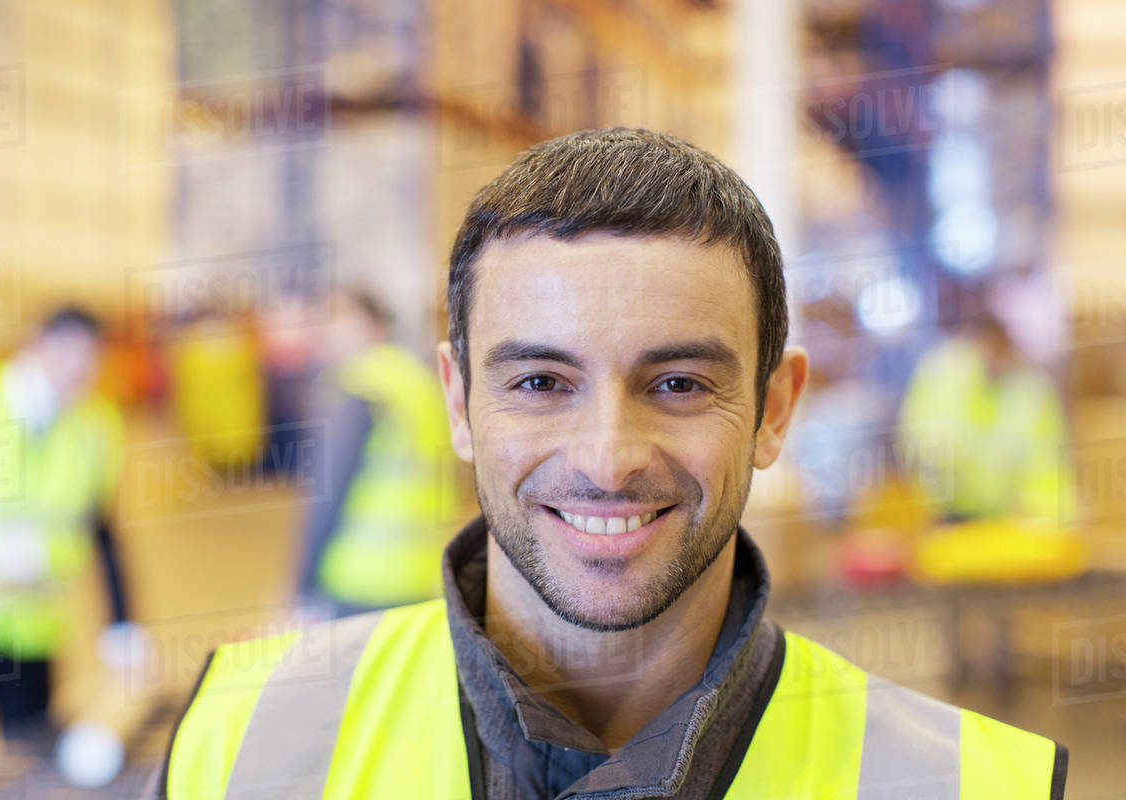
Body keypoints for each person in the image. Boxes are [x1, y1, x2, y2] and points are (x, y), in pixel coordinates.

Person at [146, 129, 1066, 799]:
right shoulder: (244, 740)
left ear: (774, 411)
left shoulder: (970, 783)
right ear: (459, 403)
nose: (608, 460)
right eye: (543, 381)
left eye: (676, 384)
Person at [0, 307, 130, 772]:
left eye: (92, 360)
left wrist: (123, 624)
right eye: (71, 354)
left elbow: (102, 528)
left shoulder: (95, 426)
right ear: (38, 342)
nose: (80, 371)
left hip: (29, 629)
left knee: (33, 763)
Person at [296, 288, 462, 618]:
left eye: (336, 320)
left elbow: (327, 493)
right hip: (423, 573)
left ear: (369, 323)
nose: (326, 334)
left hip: (360, 578)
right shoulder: (420, 380)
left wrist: (302, 586)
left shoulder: (359, 383)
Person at [896, 309, 1072, 522]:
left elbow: (1047, 462)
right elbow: (922, 442)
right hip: (944, 513)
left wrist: (1051, 513)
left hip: (1011, 519)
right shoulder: (944, 373)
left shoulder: (1031, 391)